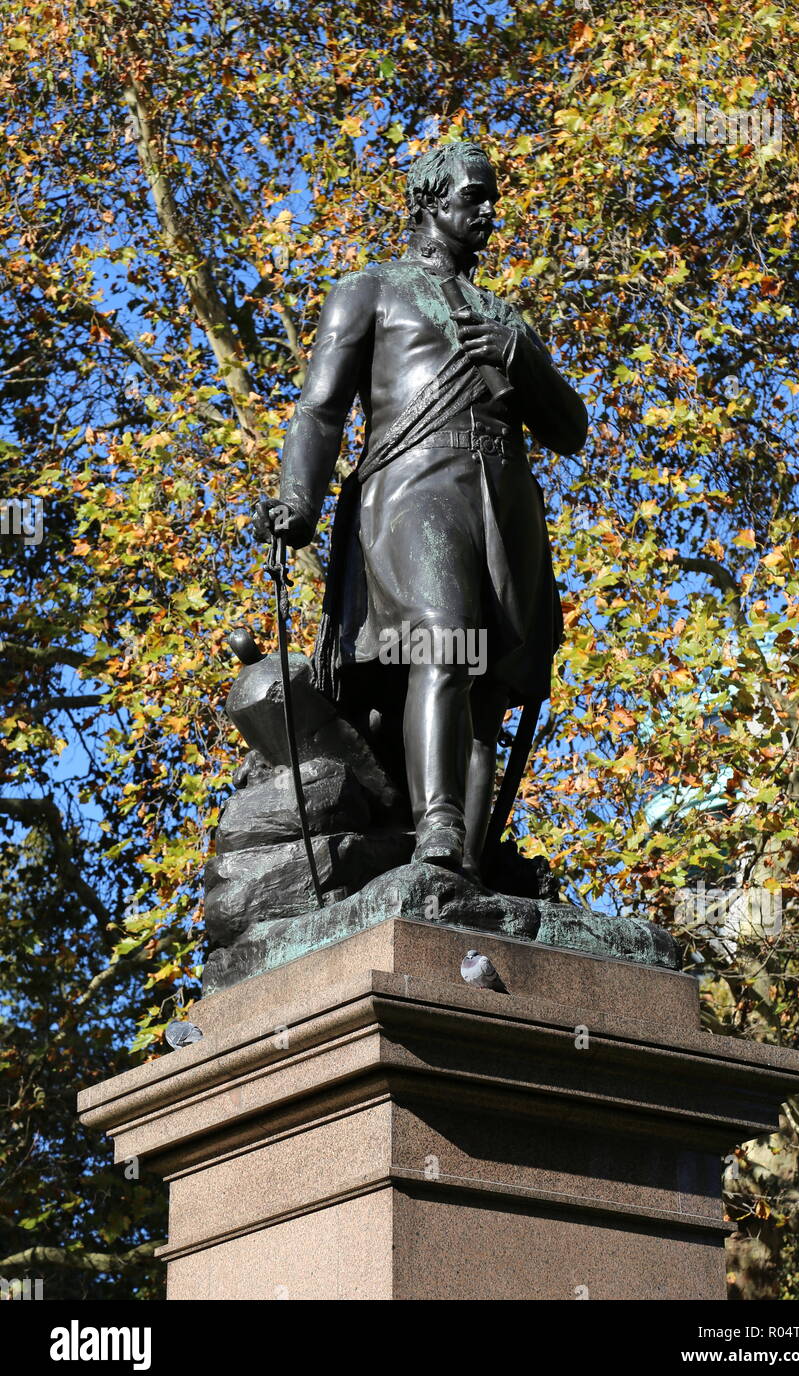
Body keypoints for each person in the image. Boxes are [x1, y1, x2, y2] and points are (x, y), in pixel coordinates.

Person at [254, 141, 587, 880]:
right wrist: (296, 501)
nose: (490, 213)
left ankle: (461, 862)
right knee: (442, 644)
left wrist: (521, 355)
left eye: (492, 198)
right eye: (474, 196)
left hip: (502, 499)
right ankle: (435, 821)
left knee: (488, 686)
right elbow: (319, 409)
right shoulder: (371, 288)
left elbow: (572, 429)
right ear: (429, 202)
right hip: (414, 487)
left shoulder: (505, 317)